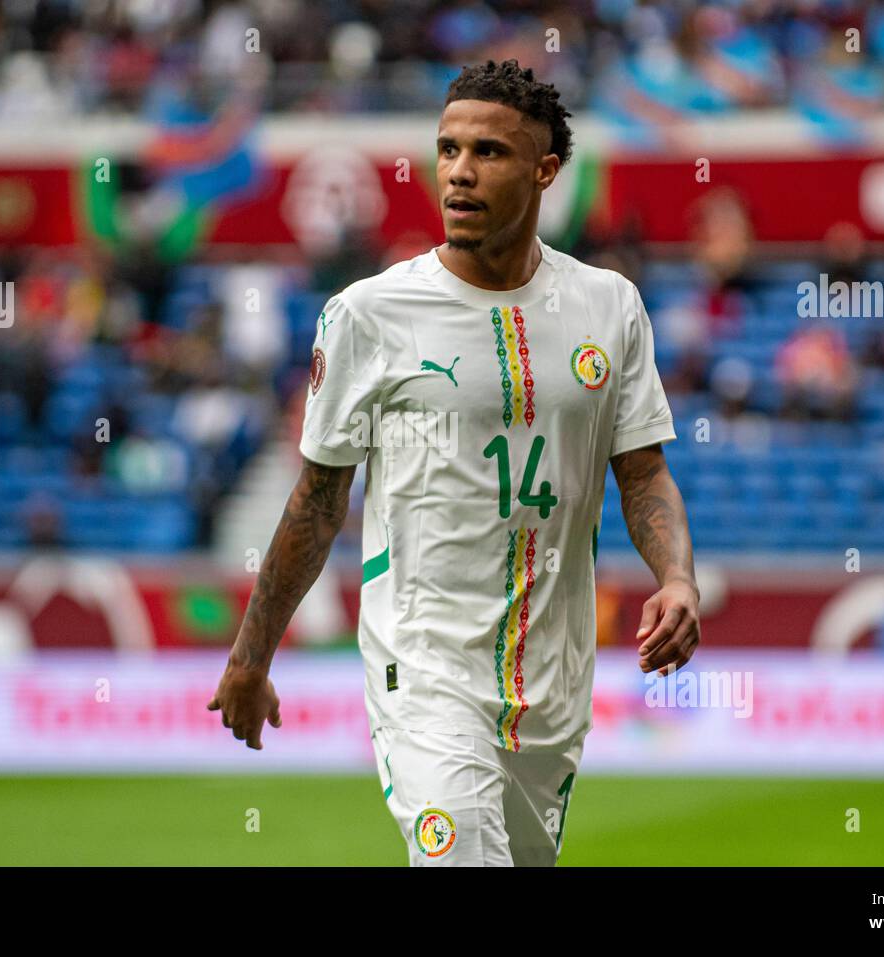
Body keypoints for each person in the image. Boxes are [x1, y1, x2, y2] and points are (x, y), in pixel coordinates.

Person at [207, 59, 700, 867]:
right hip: (423, 663)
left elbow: (642, 473)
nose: (460, 172)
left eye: (490, 153)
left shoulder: (609, 307)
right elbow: (317, 500)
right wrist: (251, 656)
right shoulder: (369, 314)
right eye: (448, 149)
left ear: (545, 171)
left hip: (551, 679)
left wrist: (677, 578)